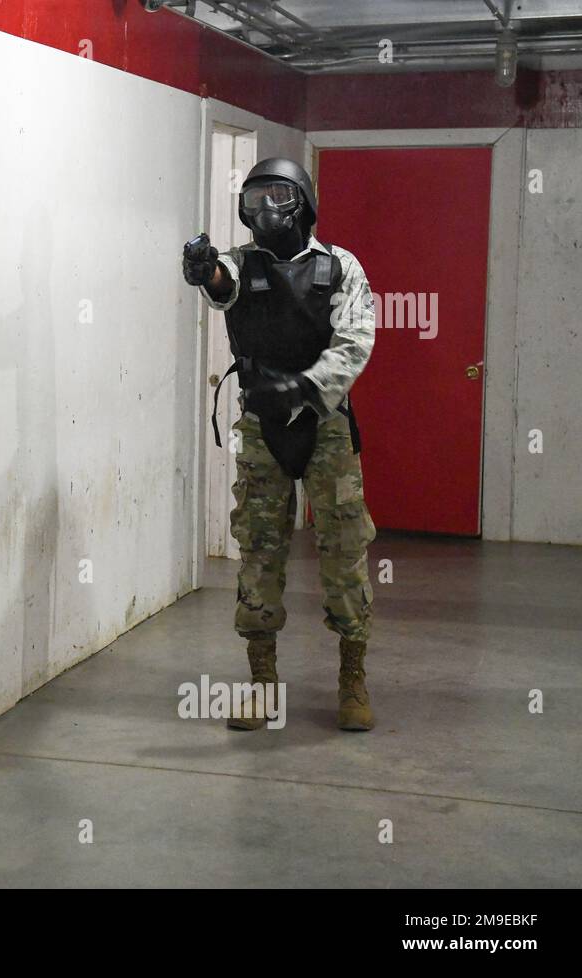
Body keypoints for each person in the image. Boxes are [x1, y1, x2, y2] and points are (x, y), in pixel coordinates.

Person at [181, 157, 376, 732]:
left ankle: (352, 678)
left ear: (304, 203)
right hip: (262, 424)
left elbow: (356, 339)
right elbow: (224, 287)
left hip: (325, 422)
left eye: (278, 198)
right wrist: (204, 270)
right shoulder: (243, 265)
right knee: (260, 549)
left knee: (343, 548)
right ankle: (262, 685)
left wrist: (306, 385)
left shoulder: (339, 267)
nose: (266, 211)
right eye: (255, 199)